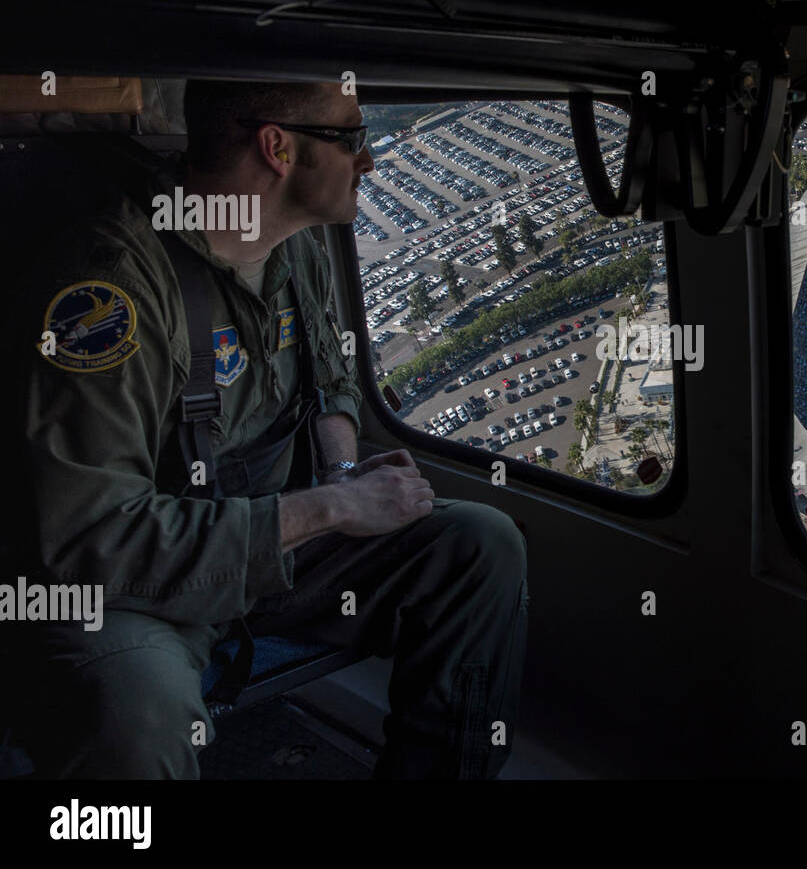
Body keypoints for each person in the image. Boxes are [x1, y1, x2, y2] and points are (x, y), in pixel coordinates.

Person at [3, 80, 528, 779]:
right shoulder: (109, 291)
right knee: (139, 718)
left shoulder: (295, 246)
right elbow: (89, 540)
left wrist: (341, 475)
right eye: (350, 139)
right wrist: (330, 507)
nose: (368, 161)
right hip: (141, 581)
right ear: (276, 146)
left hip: (272, 542)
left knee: (478, 545)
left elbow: (332, 379)